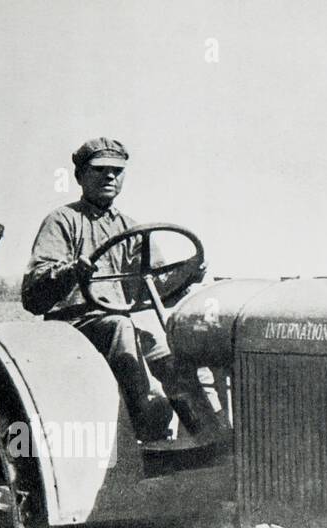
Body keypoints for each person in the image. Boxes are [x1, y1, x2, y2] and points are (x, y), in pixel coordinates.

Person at [21, 138, 222, 441]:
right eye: (99, 169)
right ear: (80, 176)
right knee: (120, 327)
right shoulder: (62, 220)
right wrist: (72, 270)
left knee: (171, 348)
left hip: (119, 323)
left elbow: (152, 288)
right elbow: (33, 293)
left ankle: (210, 439)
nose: (110, 176)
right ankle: (149, 424)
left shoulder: (130, 228)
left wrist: (186, 276)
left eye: (117, 171)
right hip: (72, 326)